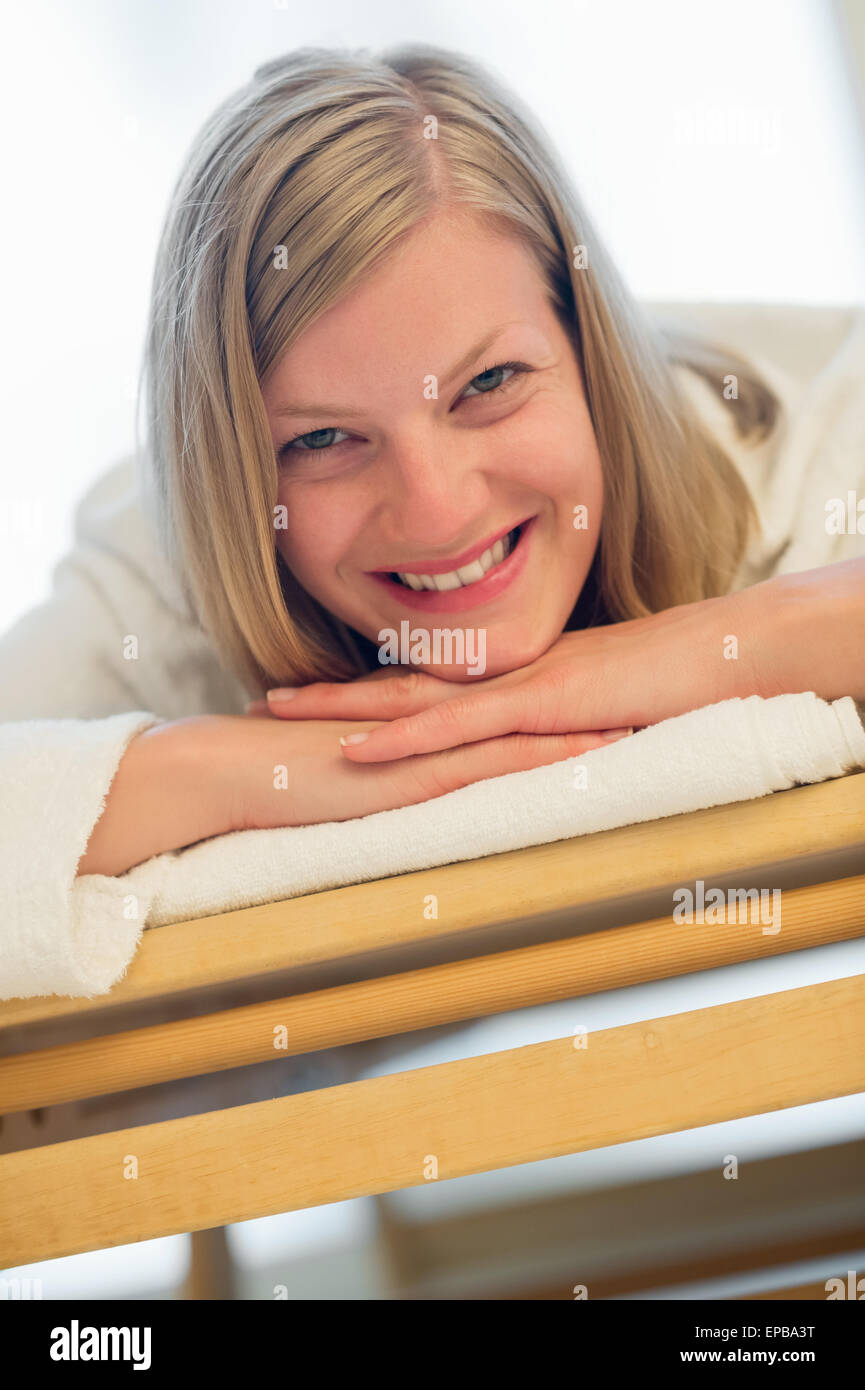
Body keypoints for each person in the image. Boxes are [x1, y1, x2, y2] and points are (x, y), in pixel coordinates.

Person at [1, 45, 863, 1154]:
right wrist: (225, 768)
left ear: (587, 349)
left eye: (489, 385)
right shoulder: (159, 570)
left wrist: (723, 642)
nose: (436, 507)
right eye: (322, 440)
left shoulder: (804, 430)